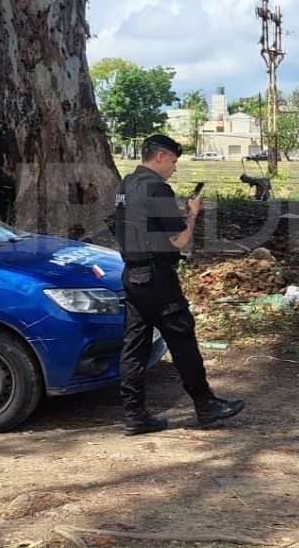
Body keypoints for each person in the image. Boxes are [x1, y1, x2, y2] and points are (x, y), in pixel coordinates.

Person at [114, 134, 245, 436]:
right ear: (160, 157)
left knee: (134, 347)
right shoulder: (157, 188)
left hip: (132, 276)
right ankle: (206, 405)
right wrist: (193, 213)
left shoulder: (123, 186)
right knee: (182, 338)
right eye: (173, 161)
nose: (174, 168)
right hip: (158, 279)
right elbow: (179, 239)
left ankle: (135, 415)